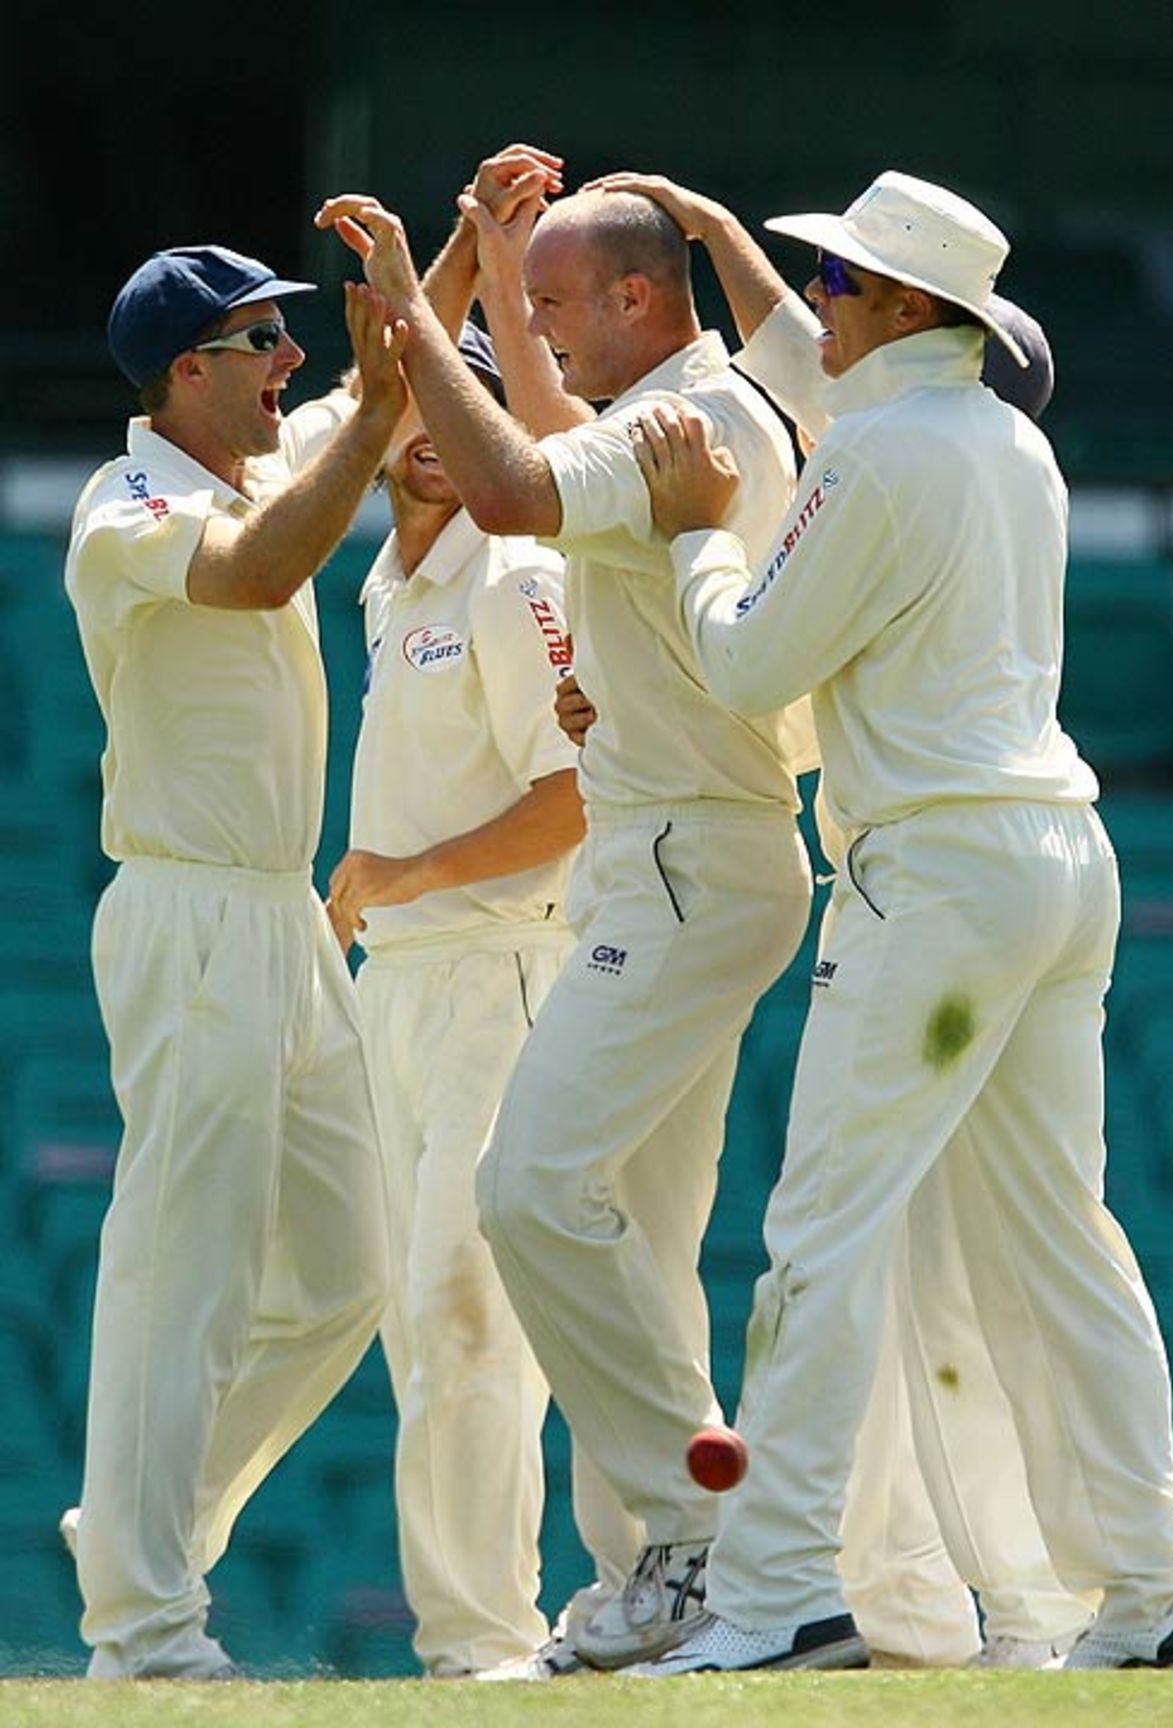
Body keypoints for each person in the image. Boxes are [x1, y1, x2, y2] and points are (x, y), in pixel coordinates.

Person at [620, 168, 1173, 1672]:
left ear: (908, 311)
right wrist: (714, 236)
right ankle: (1151, 1593)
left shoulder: (873, 457)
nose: (818, 301)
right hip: (1057, 865)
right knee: (1064, 1243)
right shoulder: (1013, 440)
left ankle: (776, 1601)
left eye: (842, 283)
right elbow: (848, 449)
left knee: (819, 1237)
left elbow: (748, 670)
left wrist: (698, 539)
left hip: (933, 882)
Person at [315, 182, 819, 1670]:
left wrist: (414, 302)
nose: (527, 330)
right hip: (680, 855)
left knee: (525, 1191)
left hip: (681, 864)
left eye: (549, 303)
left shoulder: (687, 426)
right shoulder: (667, 401)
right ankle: (665, 1581)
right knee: (640, 1242)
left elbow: (523, 488)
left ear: (639, 303)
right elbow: (544, 446)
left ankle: (697, 1537)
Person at [62, 243, 405, 1678]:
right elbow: (263, 577)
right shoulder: (128, 504)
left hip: (281, 914)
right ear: (183, 369)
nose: (290, 365)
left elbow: (388, 362)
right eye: (262, 342)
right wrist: (380, 418)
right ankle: (142, 1631)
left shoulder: (266, 460)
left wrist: (455, 238)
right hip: (189, 907)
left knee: (347, 1269)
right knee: (183, 1274)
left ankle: (150, 1531)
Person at [324, 319, 640, 1677]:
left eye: (469, 413)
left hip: (500, 973)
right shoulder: (391, 585)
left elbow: (572, 796)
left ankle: (491, 1647)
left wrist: (408, 870)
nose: (441, 442)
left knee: (466, 1309)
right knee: (422, 1318)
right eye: (419, 410)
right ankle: (469, 1640)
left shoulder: (514, 579)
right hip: (400, 986)